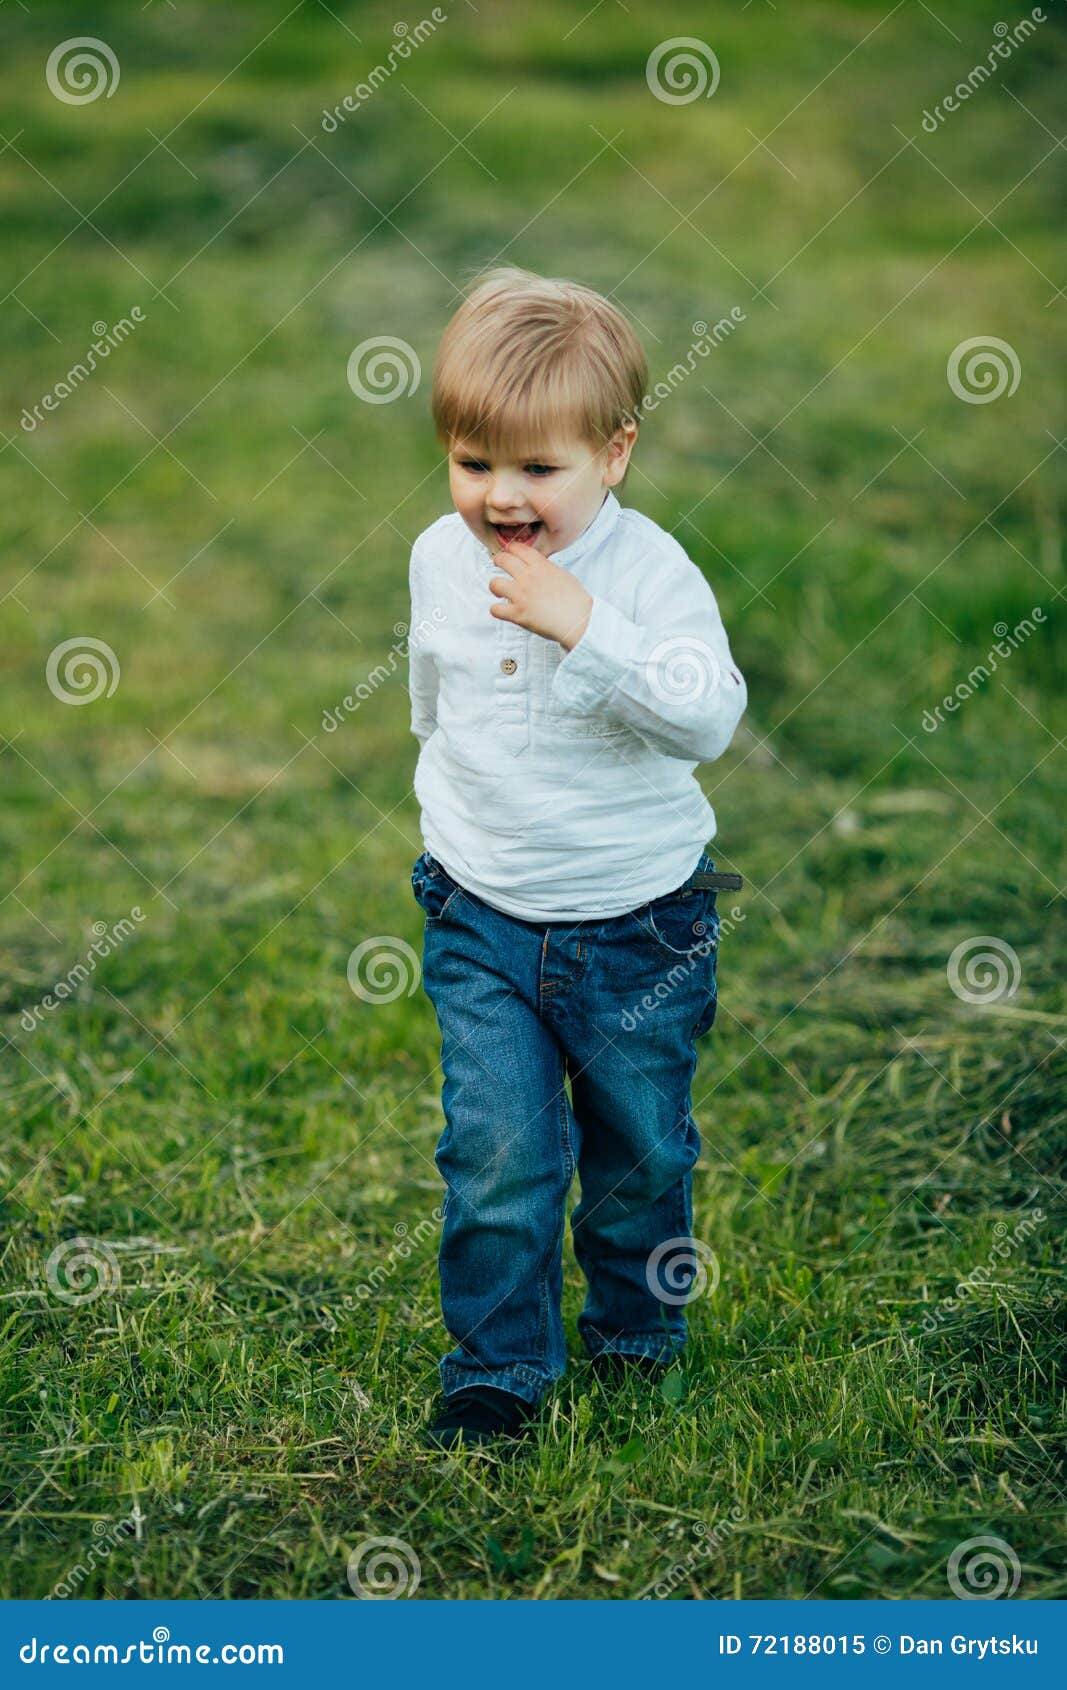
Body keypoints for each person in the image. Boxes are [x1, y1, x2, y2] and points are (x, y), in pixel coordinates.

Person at [407, 266, 747, 1450]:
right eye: (471, 462)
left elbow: (707, 717)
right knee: (496, 1150)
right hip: (482, 912)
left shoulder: (647, 575)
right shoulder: (435, 558)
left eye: (536, 469)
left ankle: (634, 1330)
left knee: (638, 1143)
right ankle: (495, 1364)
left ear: (614, 454)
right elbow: (434, 700)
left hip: (635, 922)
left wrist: (583, 625)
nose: (500, 498)